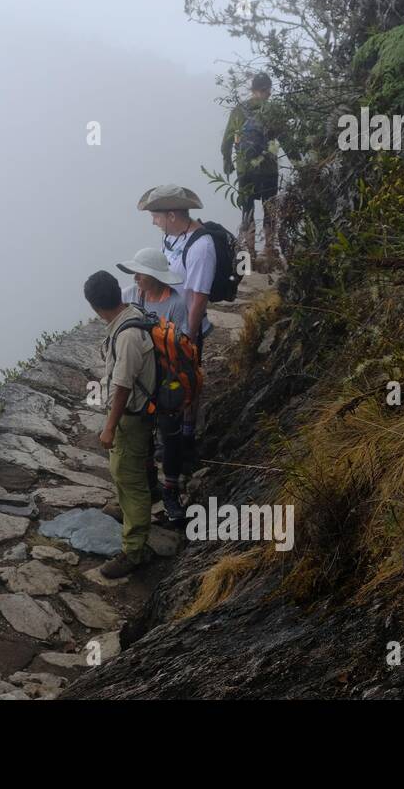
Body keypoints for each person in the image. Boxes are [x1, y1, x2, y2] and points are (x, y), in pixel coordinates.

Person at [136, 184, 214, 526]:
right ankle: (172, 448)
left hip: (181, 333)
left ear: (172, 215)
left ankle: (182, 447)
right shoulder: (173, 240)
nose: (153, 222)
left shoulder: (202, 247)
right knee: (163, 401)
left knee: (182, 391)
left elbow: (198, 298)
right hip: (161, 332)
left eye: (156, 216)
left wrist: (188, 343)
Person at [84, 269, 157, 579]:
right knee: (130, 470)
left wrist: (110, 427)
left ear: (94, 307)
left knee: (128, 477)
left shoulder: (125, 336)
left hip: (131, 417)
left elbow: (124, 386)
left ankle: (134, 551)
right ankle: (131, 508)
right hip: (140, 413)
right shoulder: (133, 314)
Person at [220, 72, 285, 272]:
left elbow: (226, 141)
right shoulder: (273, 110)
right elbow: (286, 138)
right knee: (269, 208)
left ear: (252, 89)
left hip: (245, 170)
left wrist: (227, 162)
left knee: (247, 209)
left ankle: (249, 251)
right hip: (268, 170)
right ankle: (269, 251)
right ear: (268, 89)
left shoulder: (239, 110)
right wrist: (299, 162)